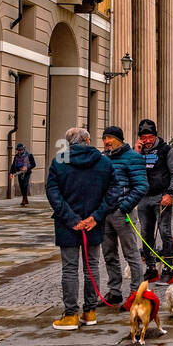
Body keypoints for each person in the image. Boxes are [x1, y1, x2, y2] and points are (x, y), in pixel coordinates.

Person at [47, 127, 120, 330]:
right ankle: (90, 312)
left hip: (67, 223)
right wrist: (96, 217)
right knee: (91, 267)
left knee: (70, 269)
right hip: (93, 223)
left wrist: (71, 219)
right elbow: (114, 191)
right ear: (87, 140)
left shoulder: (60, 160)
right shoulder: (103, 161)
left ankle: (70, 315)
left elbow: (52, 192)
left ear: (69, 142)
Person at [99, 125, 148, 307]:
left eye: (110, 138)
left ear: (120, 139)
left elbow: (141, 186)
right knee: (109, 254)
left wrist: (125, 206)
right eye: (104, 138)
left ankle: (137, 291)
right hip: (104, 214)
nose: (106, 141)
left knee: (131, 253)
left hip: (123, 213)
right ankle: (114, 291)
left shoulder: (133, 158)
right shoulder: (102, 159)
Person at [135, 119, 173, 284]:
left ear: (155, 135)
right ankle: (151, 268)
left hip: (162, 197)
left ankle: (168, 270)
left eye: (150, 137)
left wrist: (171, 193)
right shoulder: (139, 152)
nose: (147, 140)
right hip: (143, 198)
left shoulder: (167, 150)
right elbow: (133, 171)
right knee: (146, 234)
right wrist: (137, 153)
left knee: (164, 232)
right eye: (143, 137)